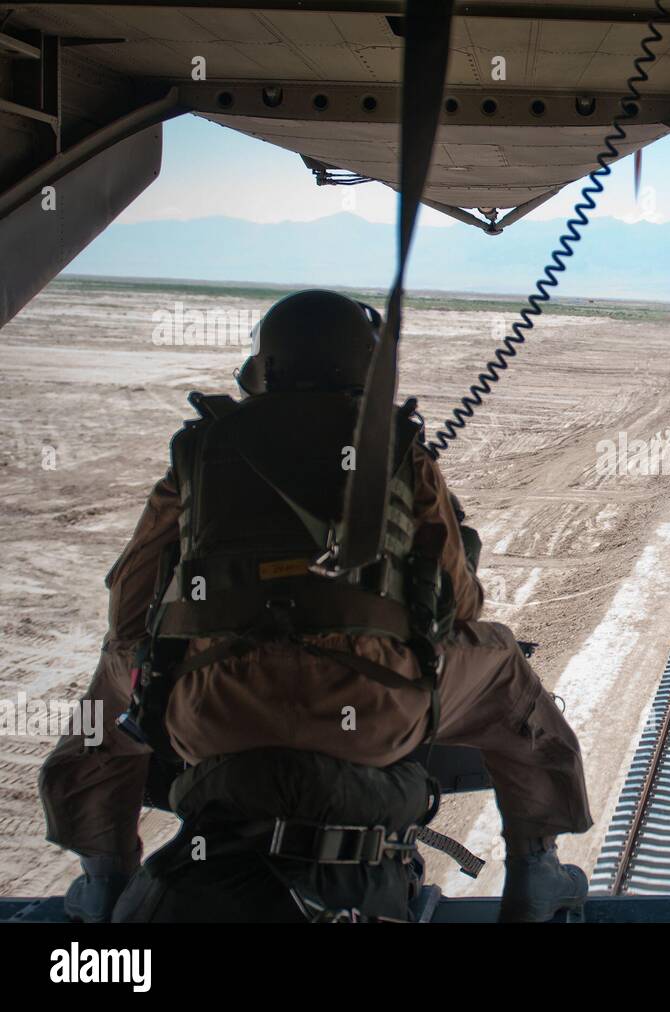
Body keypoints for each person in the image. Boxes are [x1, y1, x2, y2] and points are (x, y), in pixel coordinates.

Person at [38, 289, 593, 922]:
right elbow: (462, 606)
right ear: (365, 368)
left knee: (109, 686)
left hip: (208, 714)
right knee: (503, 667)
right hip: (377, 712)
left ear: (262, 367)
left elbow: (129, 607)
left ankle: (105, 879)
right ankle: (535, 874)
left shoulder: (200, 451)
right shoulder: (396, 451)